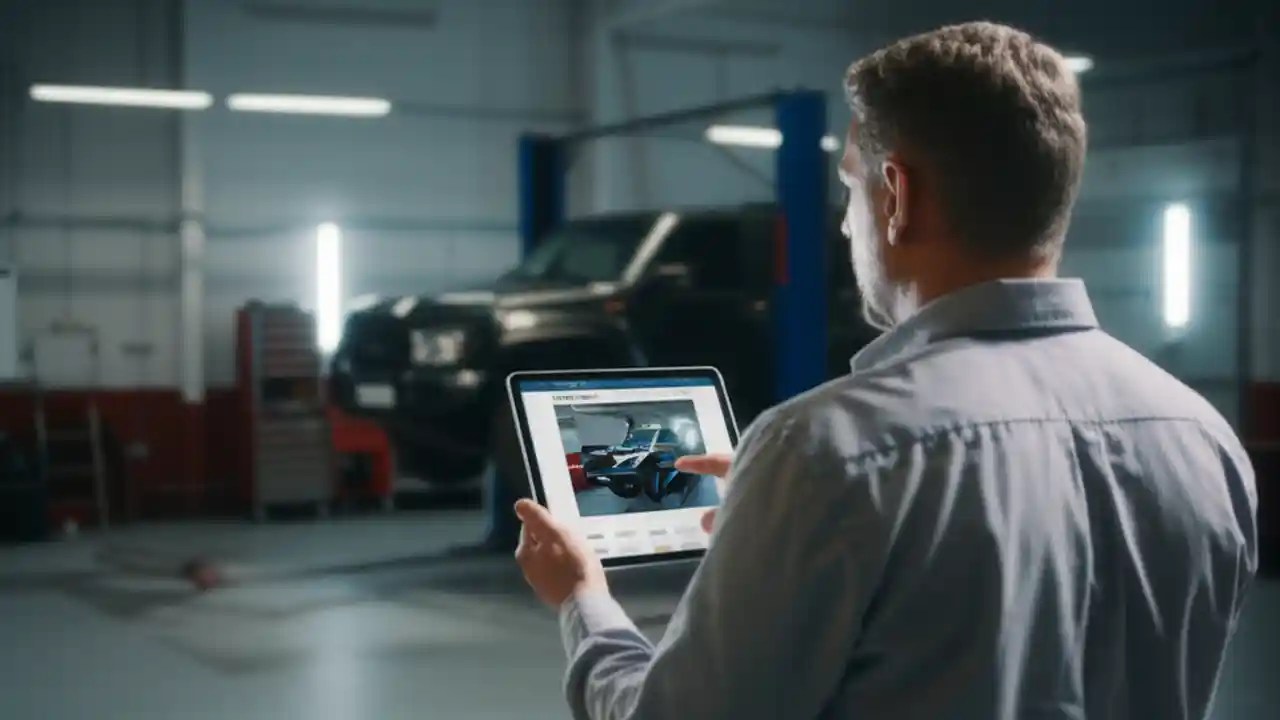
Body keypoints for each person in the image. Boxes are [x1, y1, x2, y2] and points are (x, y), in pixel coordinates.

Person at [513, 21, 1258, 720]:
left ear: (896, 196)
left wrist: (583, 599)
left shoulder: (827, 447)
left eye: (848, 186)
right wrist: (790, 508)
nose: (845, 220)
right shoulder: (1203, 436)